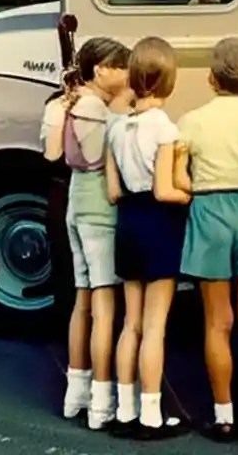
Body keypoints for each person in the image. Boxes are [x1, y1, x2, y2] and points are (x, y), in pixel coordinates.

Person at [175, 37, 238, 441]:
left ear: (211, 78)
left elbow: (180, 175)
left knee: (217, 322)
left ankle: (223, 414)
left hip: (209, 213)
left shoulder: (193, 121)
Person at [104, 36, 192, 440]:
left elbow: (113, 191)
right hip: (158, 222)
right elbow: (165, 190)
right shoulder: (166, 128)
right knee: (156, 326)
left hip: (127, 222)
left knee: (131, 323)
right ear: (169, 81)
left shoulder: (117, 127)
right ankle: (152, 415)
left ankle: (124, 410)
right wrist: (193, 193)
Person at [55, 37, 131, 430]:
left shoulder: (70, 104)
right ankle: (102, 400)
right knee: (105, 309)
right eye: (122, 66)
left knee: (82, 300)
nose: (128, 72)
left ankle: (76, 391)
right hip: (100, 213)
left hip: (76, 206)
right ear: (102, 70)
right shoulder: (100, 113)